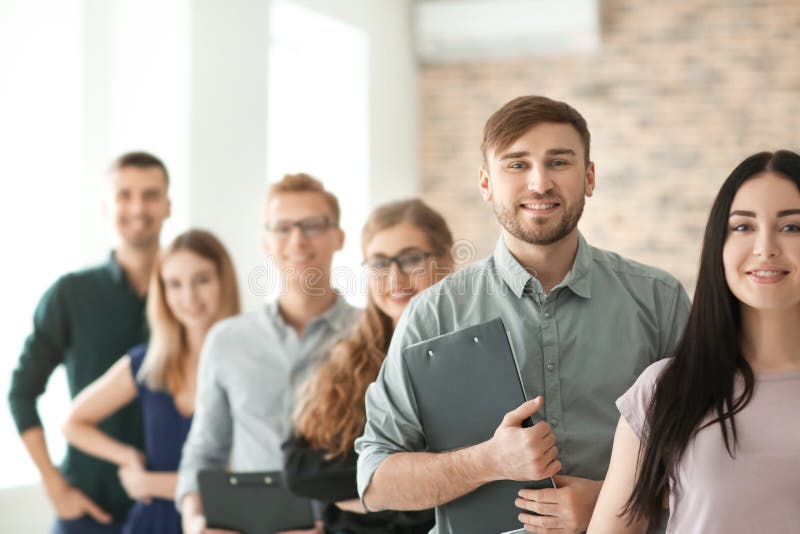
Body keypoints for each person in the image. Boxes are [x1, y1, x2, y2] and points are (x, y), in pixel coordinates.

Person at [354, 96, 692, 534]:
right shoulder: (432, 314)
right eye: (516, 165)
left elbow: (713, 458)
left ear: (589, 177)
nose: (539, 183)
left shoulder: (658, 300)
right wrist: (487, 461)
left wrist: (618, 502)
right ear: (486, 184)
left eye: (559, 162)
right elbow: (377, 480)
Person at [587, 150, 800, 534]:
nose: (765, 247)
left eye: (792, 227)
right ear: (717, 244)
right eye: (742, 227)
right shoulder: (664, 389)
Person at [177, 173, 361, 534]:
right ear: (265, 241)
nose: (297, 240)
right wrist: (194, 520)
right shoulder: (227, 341)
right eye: (282, 228)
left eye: (313, 226)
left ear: (338, 237)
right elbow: (205, 452)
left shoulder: (371, 335)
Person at [8, 152, 171, 533]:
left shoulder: (190, 294)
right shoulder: (71, 294)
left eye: (150, 195)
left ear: (167, 205)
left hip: (170, 508)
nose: (137, 207)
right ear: (106, 206)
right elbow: (21, 392)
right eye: (124, 195)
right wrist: (53, 484)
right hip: (88, 510)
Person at [283, 199, 454, 534]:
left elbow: (479, 480)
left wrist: (367, 498)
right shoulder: (346, 361)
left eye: (411, 259)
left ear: (445, 260)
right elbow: (299, 470)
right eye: (379, 263)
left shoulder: (476, 356)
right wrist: (400, 486)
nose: (395, 277)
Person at [62, 229, 240, 534]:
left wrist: (150, 483)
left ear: (224, 281)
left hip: (219, 525)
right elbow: (73, 423)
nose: (189, 297)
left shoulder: (248, 363)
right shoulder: (147, 363)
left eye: (202, 280)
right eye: (174, 284)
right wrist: (126, 457)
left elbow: (246, 478)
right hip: (150, 524)